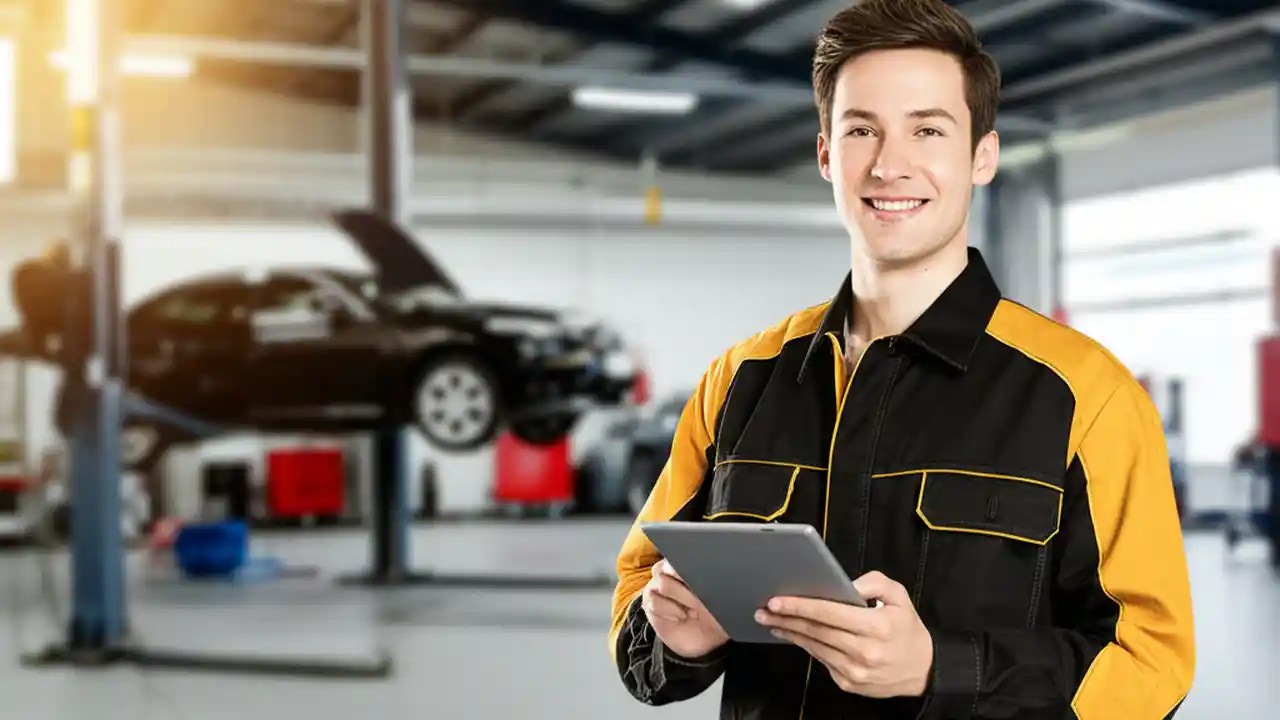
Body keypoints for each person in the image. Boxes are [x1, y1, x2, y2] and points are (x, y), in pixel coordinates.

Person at [608, 1, 1195, 717]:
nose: (890, 165)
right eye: (862, 130)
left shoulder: (1085, 397)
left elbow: (1151, 663)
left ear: (982, 154)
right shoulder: (738, 382)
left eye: (927, 129)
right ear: (826, 153)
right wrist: (678, 639)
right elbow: (640, 598)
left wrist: (939, 668)